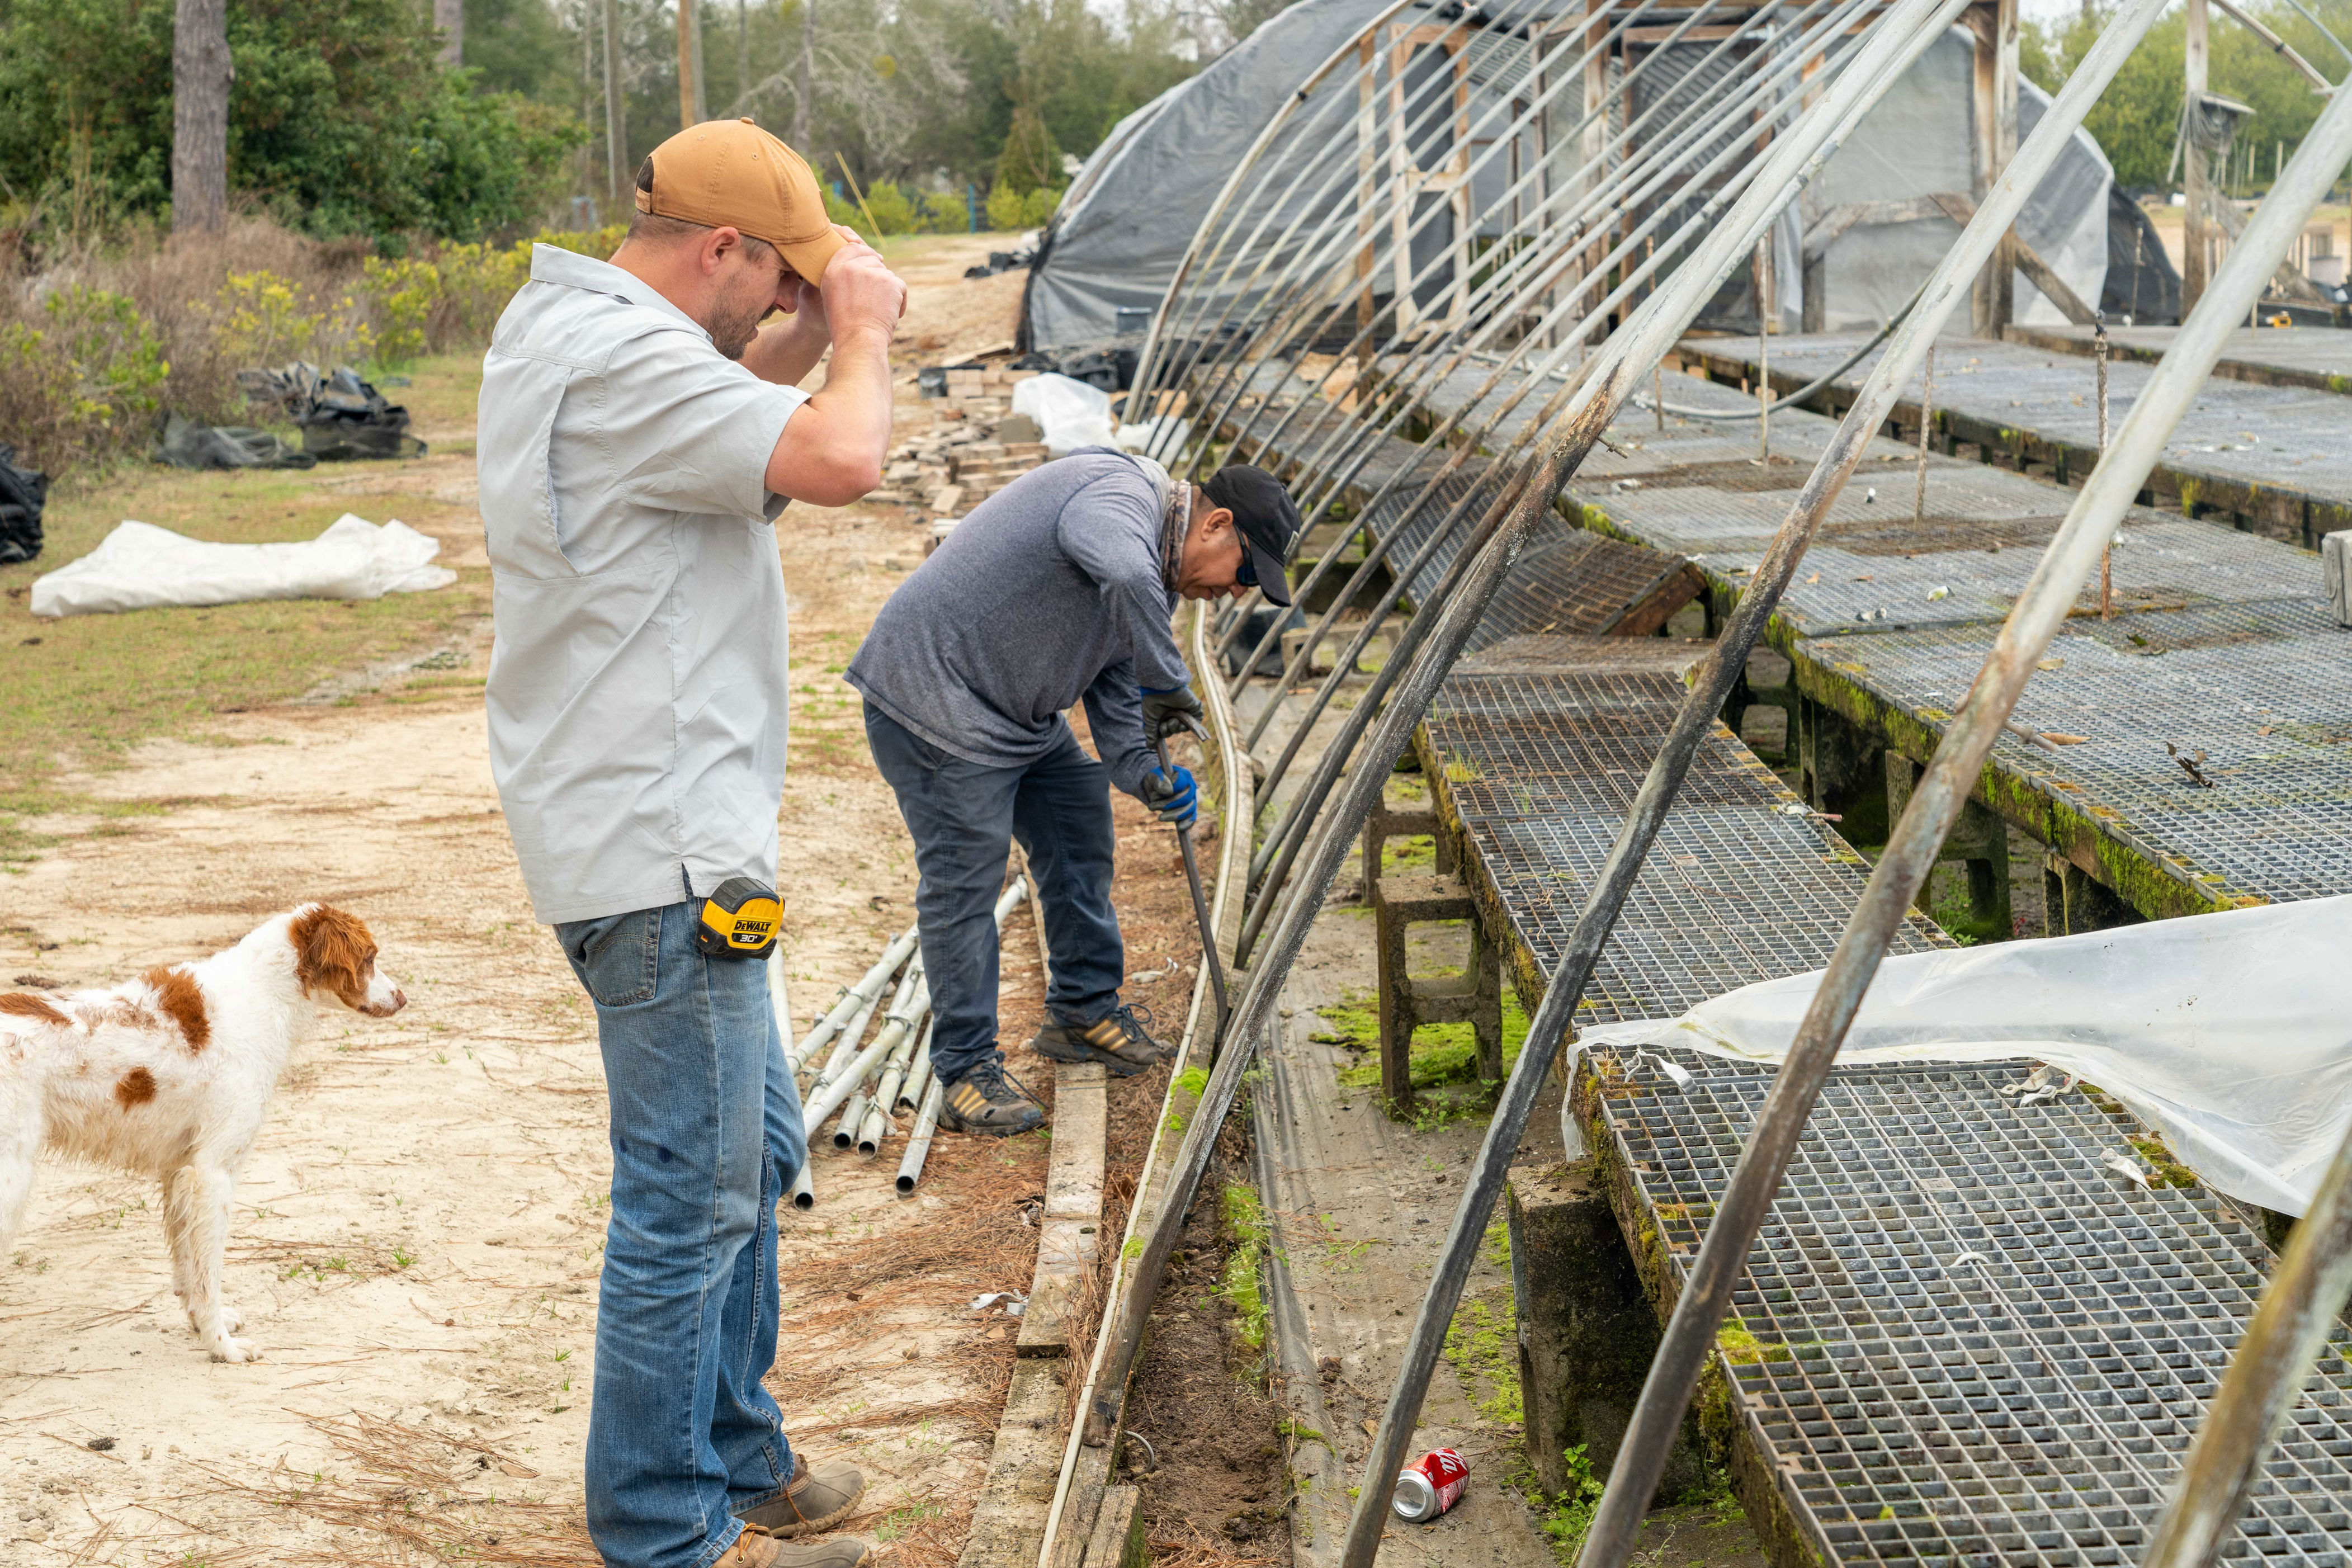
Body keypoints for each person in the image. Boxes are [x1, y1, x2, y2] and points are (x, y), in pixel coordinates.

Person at [476, 119, 906, 1568]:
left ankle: (735, 1447)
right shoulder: (619, 358)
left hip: (643, 832)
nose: (778, 311)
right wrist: (855, 330)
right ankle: (664, 1531)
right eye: (768, 284)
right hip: (664, 854)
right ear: (721, 250)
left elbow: (733, 414)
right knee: (690, 1190)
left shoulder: (571, 329)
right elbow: (842, 455)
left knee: (755, 1144)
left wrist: (797, 329)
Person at [847, 453, 1301, 1135]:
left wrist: (1145, 769)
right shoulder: (1120, 494)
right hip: (935, 702)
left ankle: (1082, 1011)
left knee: (1077, 822)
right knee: (966, 881)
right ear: (1217, 523)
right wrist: (1169, 676)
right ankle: (966, 1069)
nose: (1237, 592)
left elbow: (1117, 685)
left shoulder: (1155, 583)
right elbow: (1123, 576)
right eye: (1245, 572)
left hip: (1016, 715)